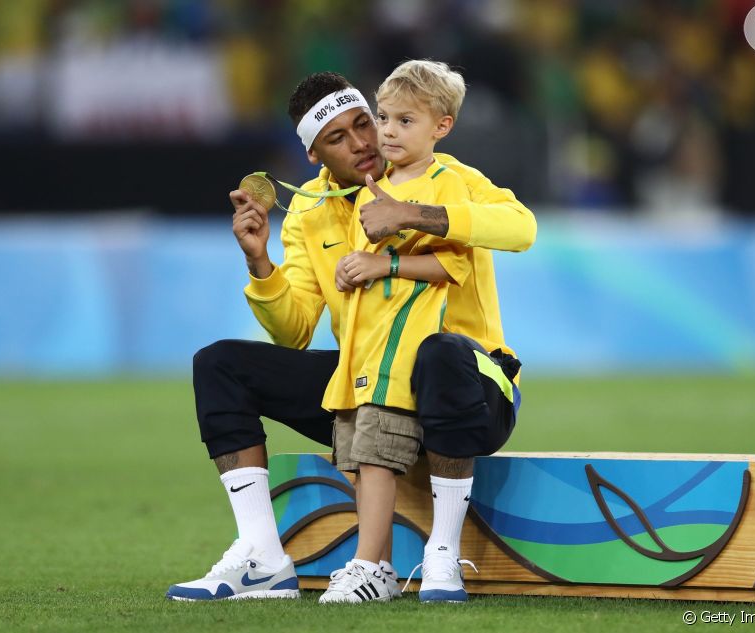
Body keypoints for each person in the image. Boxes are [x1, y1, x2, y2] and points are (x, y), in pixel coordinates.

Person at [167, 70, 535, 602]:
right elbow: (293, 331)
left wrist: (412, 215)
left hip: (475, 388)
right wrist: (260, 263)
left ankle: (441, 556)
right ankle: (262, 556)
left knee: (438, 353)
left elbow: (522, 228)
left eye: (365, 123)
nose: (364, 142)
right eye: (338, 137)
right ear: (313, 154)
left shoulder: (444, 176)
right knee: (218, 363)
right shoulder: (307, 211)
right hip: (371, 380)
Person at [318, 60, 473, 604]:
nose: (387, 131)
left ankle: (367, 565)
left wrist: (383, 265)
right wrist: (350, 269)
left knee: (378, 455)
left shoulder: (446, 184)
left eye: (405, 121)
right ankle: (378, 566)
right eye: (383, 117)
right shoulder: (372, 188)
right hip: (363, 353)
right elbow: (367, 262)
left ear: (441, 127)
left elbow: (455, 265)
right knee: (357, 459)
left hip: (403, 351)